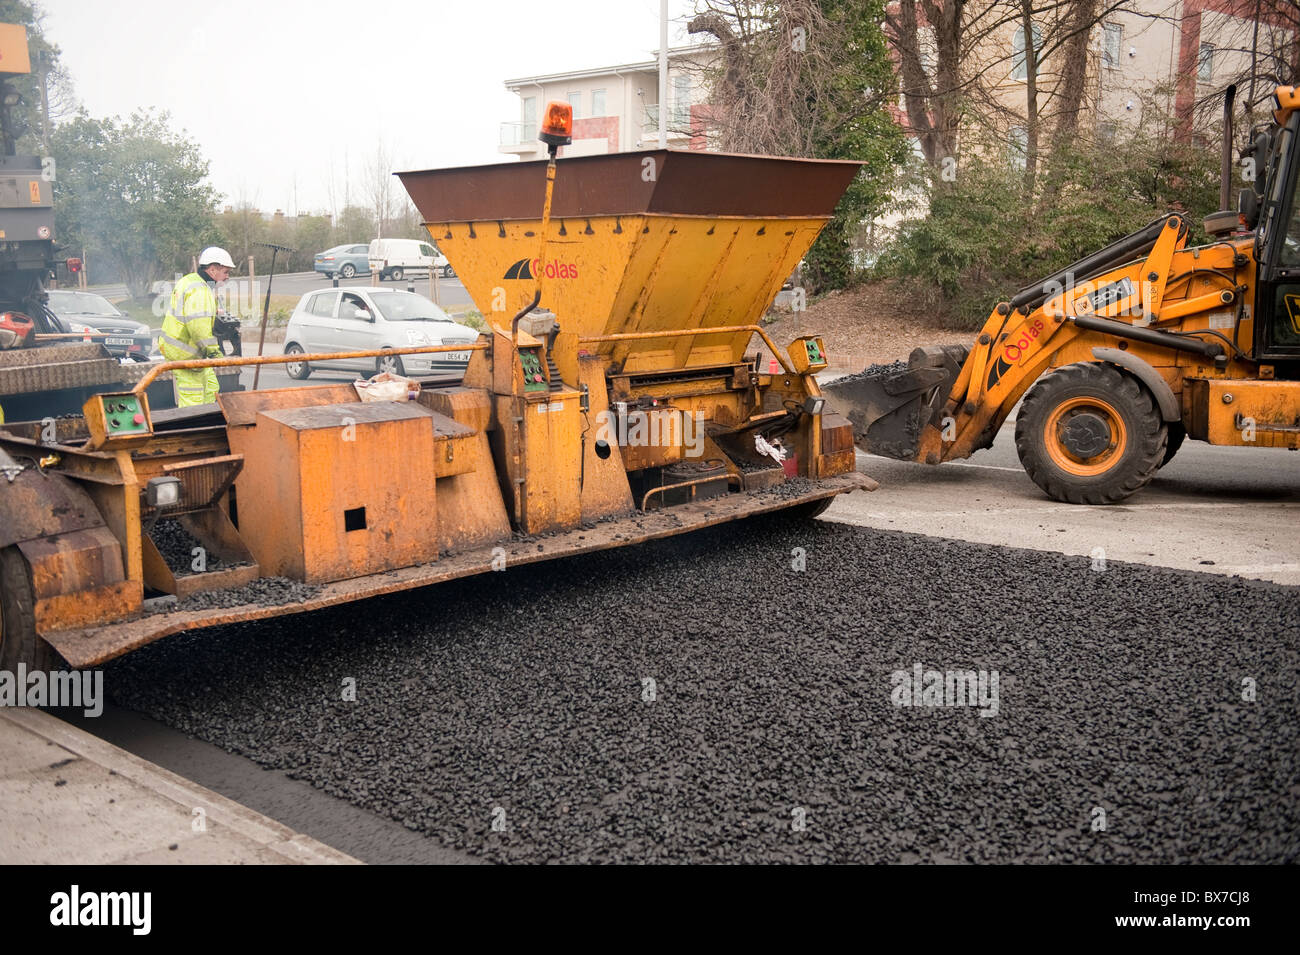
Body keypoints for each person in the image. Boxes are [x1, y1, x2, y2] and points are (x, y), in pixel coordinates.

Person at [160, 247, 235, 407]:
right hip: (184, 353)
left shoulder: (191, 281)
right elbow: (198, 328)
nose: (228, 277)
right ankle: (193, 427)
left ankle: (208, 416)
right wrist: (215, 352)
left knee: (211, 386)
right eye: (226, 272)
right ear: (213, 269)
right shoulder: (200, 291)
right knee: (192, 397)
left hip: (184, 348)